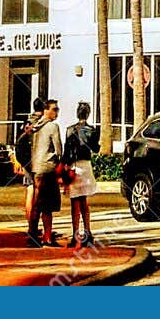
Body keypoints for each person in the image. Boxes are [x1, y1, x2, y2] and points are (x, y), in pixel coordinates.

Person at [26, 98, 64, 247]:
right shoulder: (53, 127)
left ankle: (33, 233)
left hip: (36, 168)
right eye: (54, 109)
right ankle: (47, 237)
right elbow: (59, 150)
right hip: (48, 168)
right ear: (46, 110)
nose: (57, 112)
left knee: (36, 203)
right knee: (48, 205)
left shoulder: (35, 126)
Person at [64, 101, 101, 247]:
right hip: (86, 165)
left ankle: (75, 234)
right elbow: (96, 149)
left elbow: (67, 152)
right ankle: (87, 232)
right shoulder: (92, 130)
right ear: (88, 113)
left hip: (74, 165)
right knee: (84, 201)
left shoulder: (69, 130)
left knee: (75, 202)